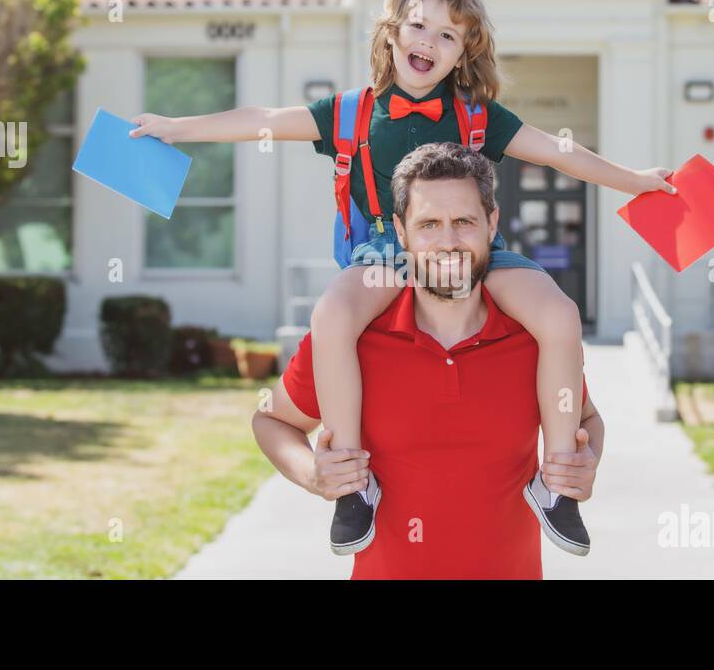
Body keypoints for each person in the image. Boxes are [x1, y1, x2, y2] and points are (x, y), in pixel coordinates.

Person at [130, 0, 670, 557]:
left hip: (468, 253)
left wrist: (635, 181)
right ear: (390, 33)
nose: (429, 42)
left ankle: (557, 486)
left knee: (561, 314)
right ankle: (353, 488)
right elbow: (261, 119)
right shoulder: (348, 114)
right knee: (334, 313)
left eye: (448, 36)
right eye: (419, 26)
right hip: (385, 254)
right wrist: (175, 128)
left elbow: (560, 152)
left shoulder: (478, 116)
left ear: (464, 54)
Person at [250, 142, 605, 578]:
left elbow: (587, 421)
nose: (448, 242)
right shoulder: (352, 340)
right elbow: (270, 420)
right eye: (429, 224)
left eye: (464, 222)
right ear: (400, 232)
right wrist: (316, 476)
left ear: (492, 224)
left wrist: (583, 465)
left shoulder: (535, 338)